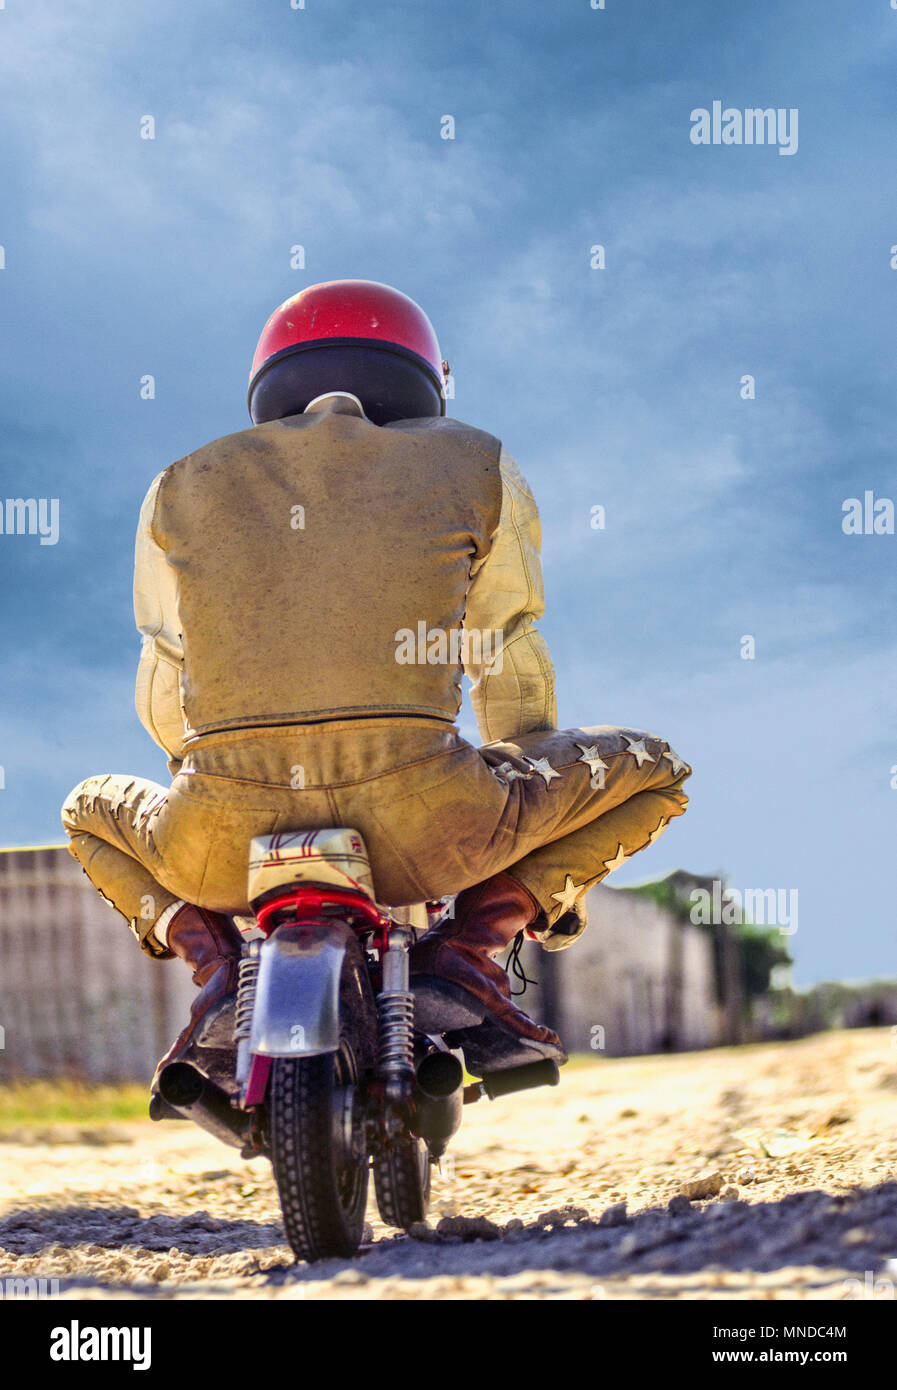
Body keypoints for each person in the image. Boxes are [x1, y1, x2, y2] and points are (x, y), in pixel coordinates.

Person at [61, 278, 691, 1082]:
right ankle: (471, 952)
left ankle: (214, 967)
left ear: (267, 385)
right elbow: (503, 648)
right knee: (658, 772)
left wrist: (211, 778)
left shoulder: (180, 482)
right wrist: (519, 830)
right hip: (431, 825)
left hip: (218, 838)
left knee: (84, 812)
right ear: (424, 377)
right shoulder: (475, 459)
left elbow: (165, 664)